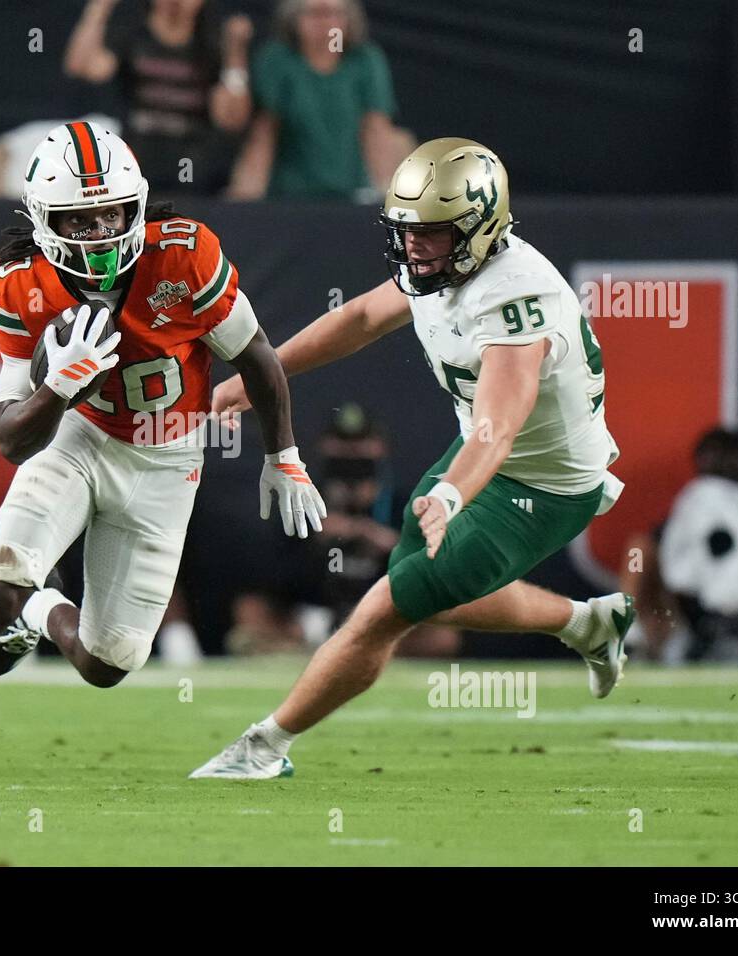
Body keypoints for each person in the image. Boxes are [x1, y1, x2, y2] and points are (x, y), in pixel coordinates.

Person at [0, 121, 325, 783]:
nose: (102, 232)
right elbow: (12, 437)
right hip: (77, 442)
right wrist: (58, 385)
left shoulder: (185, 255)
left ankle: (39, 609)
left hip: (167, 459)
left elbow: (254, 355)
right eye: (81, 218)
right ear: (47, 221)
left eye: (112, 212)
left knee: (107, 664)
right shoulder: (21, 283)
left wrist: (284, 455)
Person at [192, 137, 633, 780]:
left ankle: (265, 747)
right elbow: (363, 318)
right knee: (425, 591)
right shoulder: (440, 265)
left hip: (540, 482)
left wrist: (452, 493)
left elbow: (497, 428)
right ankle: (589, 623)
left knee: (385, 608)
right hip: (484, 458)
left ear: (482, 228)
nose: (414, 246)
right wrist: (255, 380)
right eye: (406, 230)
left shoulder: (516, 300)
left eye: (432, 233)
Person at [621, 429, 738, 663]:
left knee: (640, 547)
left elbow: (666, 556)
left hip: (698, 618)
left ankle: (632, 635)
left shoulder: (701, 495)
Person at [228, 0, 412, 201]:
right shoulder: (277, 59)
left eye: (335, 13)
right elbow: (264, 133)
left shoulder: (365, 59)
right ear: (294, 18)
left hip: (354, 194)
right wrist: (245, 200)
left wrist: (391, 198)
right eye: (315, 13)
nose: (326, 22)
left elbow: (377, 130)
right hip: (289, 196)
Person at [64, 0, 252, 194]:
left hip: (194, 173)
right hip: (136, 169)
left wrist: (236, 54)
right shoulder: (131, 36)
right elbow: (82, 66)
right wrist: (99, 9)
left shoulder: (213, 45)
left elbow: (231, 119)